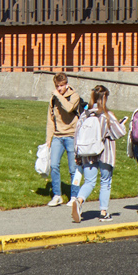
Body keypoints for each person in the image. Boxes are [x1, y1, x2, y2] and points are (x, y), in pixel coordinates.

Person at [68, 85, 121, 223]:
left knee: (89, 181)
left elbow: (77, 136)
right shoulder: (107, 116)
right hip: (105, 153)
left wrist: (77, 154)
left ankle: (79, 200)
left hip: (87, 153)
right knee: (105, 182)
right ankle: (103, 212)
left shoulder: (85, 115)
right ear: (105, 98)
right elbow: (118, 132)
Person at [44, 73, 83, 206]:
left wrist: (59, 95)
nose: (59, 88)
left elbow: (69, 108)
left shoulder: (74, 96)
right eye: (57, 86)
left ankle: (74, 196)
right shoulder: (53, 99)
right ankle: (57, 195)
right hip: (57, 136)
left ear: (66, 84)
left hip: (72, 136)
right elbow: (50, 119)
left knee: (74, 168)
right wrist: (48, 139)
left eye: (61, 86)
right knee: (54, 165)